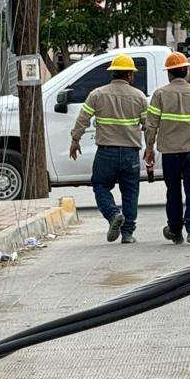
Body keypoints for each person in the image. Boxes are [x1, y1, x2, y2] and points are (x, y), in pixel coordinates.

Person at [69, 53, 148, 244]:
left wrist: (75, 140)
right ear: (129, 75)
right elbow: (148, 125)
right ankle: (127, 233)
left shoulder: (97, 94)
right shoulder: (139, 97)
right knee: (130, 192)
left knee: (100, 185)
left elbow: (83, 119)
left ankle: (113, 214)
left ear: (113, 73)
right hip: (130, 153)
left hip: (106, 152)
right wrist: (150, 146)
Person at [144, 51, 190, 246]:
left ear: (169, 73)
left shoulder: (160, 94)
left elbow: (151, 125)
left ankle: (175, 230)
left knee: (173, 191)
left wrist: (149, 148)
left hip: (170, 153)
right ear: (186, 71)